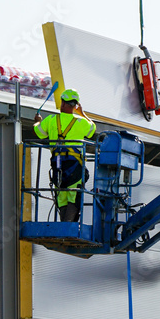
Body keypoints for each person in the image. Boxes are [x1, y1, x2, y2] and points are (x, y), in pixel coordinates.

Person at [34, 88, 96, 222]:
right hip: (75, 164)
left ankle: (64, 225)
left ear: (62, 103)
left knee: (61, 194)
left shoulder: (51, 120)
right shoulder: (81, 122)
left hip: (57, 164)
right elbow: (92, 129)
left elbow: (39, 132)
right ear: (76, 106)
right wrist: (82, 113)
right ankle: (68, 225)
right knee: (74, 195)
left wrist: (38, 120)